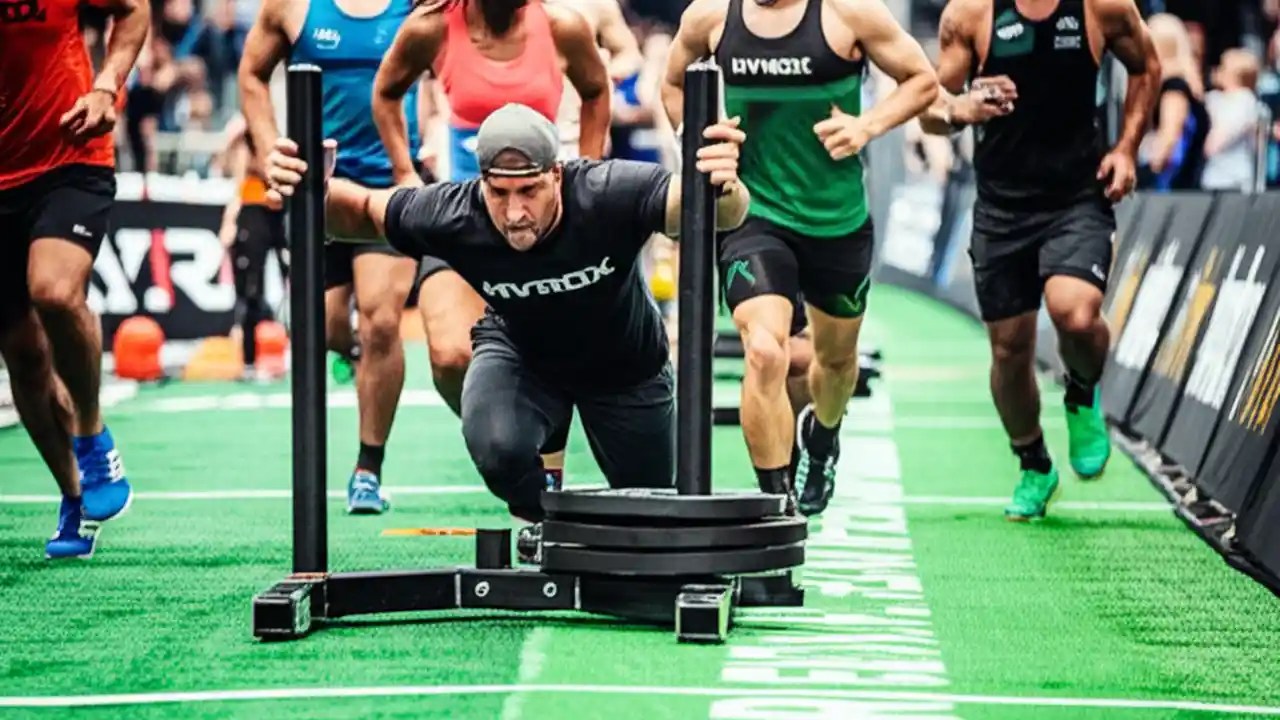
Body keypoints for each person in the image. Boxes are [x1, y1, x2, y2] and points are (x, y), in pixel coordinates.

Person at [264, 102, 750, 558]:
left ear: (556, 176)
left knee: (650, 515)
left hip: (625, 368)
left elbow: (715, 212)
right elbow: (365, 210)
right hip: (524, 357)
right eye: (499, 192)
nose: (515, 212)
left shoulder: (607, 193)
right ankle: (546, 520)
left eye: (529, 191)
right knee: (495, 444)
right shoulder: (456, 213)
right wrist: (306, 186)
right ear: (481, 185)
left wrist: (725, 184)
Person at [661, 0, 939, 515]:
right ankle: (775, 502)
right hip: (754, 213)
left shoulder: (848, 12)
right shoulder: (712, 16)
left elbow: (922, 80)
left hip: (837, 221)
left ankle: (823, 437)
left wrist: (867, 126)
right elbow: (673, 82)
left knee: (834, 364)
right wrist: (701, 141)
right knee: (766, 352)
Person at [918, 0, 1161, 520]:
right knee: (1009, 351)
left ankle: (1081, 390)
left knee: (1074, 312)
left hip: (1077, 196)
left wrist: (1126, 148)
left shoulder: (1103, 7)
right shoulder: (970, 15)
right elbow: (932, 108)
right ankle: (1034, 463)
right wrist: (964, 106)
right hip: (1001, 206)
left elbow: (1147, 65)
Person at [372, 0, 611, 487]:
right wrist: (404, 173)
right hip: (465, 219)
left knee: (555, 350)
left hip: (539, 222)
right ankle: (509, 437)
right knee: (448, 355)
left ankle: (544, 475)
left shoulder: (561, 27)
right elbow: (386, 93)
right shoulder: (433, 27)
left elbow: (596, 91)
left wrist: (586, 176)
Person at [239, 0, 429, 514]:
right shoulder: (293, 7)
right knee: (319, 329)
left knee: (381, 321)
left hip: (390, 187)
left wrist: (434, 139)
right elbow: (252, 74)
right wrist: (267, 152)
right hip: (315, 193)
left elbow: (449, 69)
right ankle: (353, 357)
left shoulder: (416, 6)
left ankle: (368, 468)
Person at [0, 0, 149, 558]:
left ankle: (91, 432)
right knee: (22, 353)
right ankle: (75, 494)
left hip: (70, 153)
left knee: (55, 292)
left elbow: (133, 12)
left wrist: (106, 87)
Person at [218, 114, 289, 381]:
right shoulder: (244, 140)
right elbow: (231, 176)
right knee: (250, 289)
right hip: (252, 211)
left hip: (279, 210)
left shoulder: (276, 133)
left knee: (291, 283)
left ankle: (292, 353)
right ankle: (249, 360)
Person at [1138, 13, 1208, 191]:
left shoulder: (1174, 88)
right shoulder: (1187, 85)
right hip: (1187, 187)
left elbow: (1169, 139)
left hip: (1172, 191)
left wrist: (1146, 174)